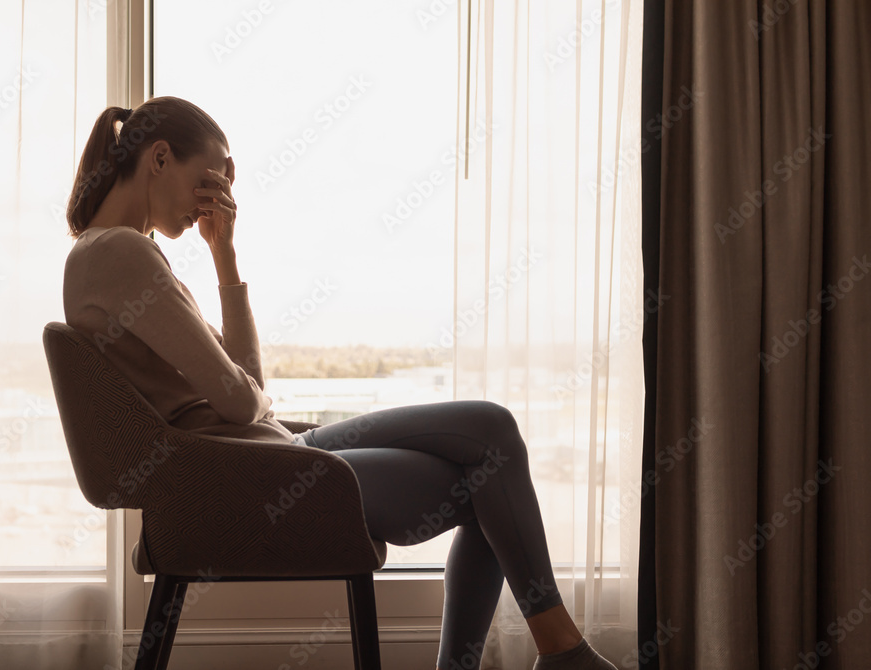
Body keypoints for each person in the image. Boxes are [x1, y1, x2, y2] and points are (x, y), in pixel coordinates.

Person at [62, 96, 617, 670]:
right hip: (248, 475)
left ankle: (559, 651)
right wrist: (251, 398)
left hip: (259, 456)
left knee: (491, 435)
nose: (219, 199)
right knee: (489, 459)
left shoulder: (117, 254)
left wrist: (224, 255)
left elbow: (245, 386)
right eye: (209, 181)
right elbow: (238, 398)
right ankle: (561, 653)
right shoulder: (121, 254)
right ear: (159, 158)